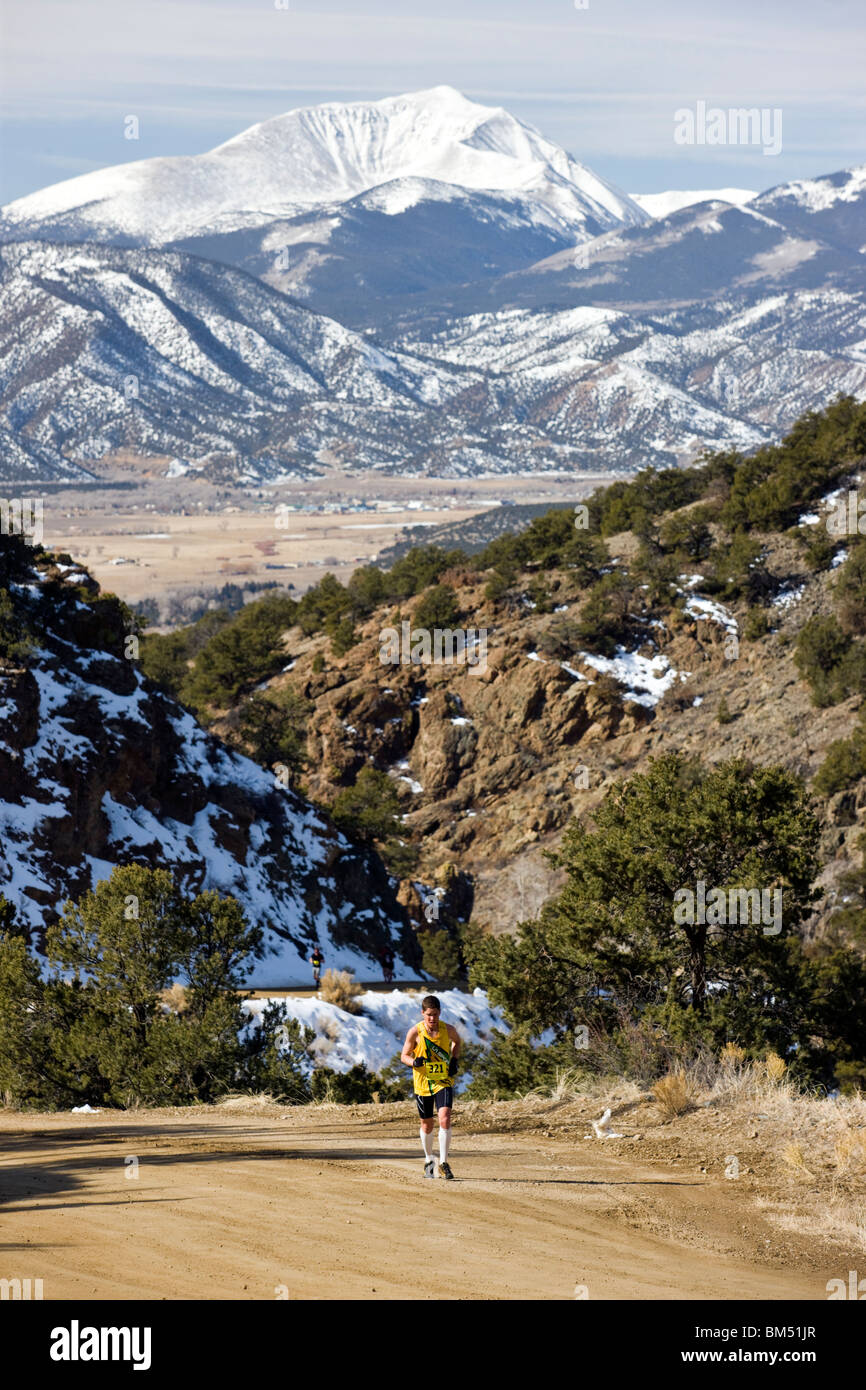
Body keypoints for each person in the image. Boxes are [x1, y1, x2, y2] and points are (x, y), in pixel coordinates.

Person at [401, 995, 461, 1180]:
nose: (432, 1019)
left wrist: (454, 1060)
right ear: (422, 1013)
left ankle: (443, 1162)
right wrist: (414, 1062)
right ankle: (429, 1160)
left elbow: (457, 1042)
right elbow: (404, 1056)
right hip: (422, 1083)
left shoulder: (448, 1029)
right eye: (428, 1015)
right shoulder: (415, 1032)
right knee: (427, 1125)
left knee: (445, 1118)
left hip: (443, 1081)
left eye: (435, 1014)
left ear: (440, 1013)